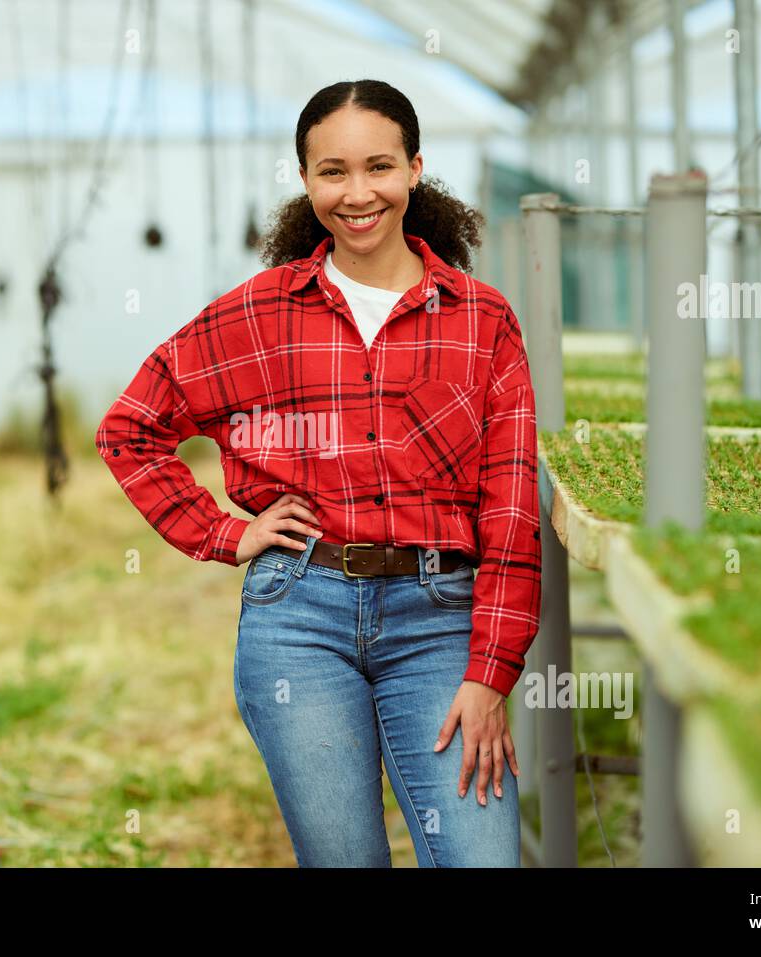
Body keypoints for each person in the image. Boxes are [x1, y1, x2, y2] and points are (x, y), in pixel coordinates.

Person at [95, 79, 541, 867]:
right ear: (306, 180)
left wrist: (492, 672)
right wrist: (224, 534)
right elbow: (130, 429)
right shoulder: (254, 315)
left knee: (482, 859)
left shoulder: (483, 320)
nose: (358, 192)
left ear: (414, 170)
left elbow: (510, 513)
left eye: (379, 167)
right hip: (299, 618)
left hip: (439, 618)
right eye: (332, 171)